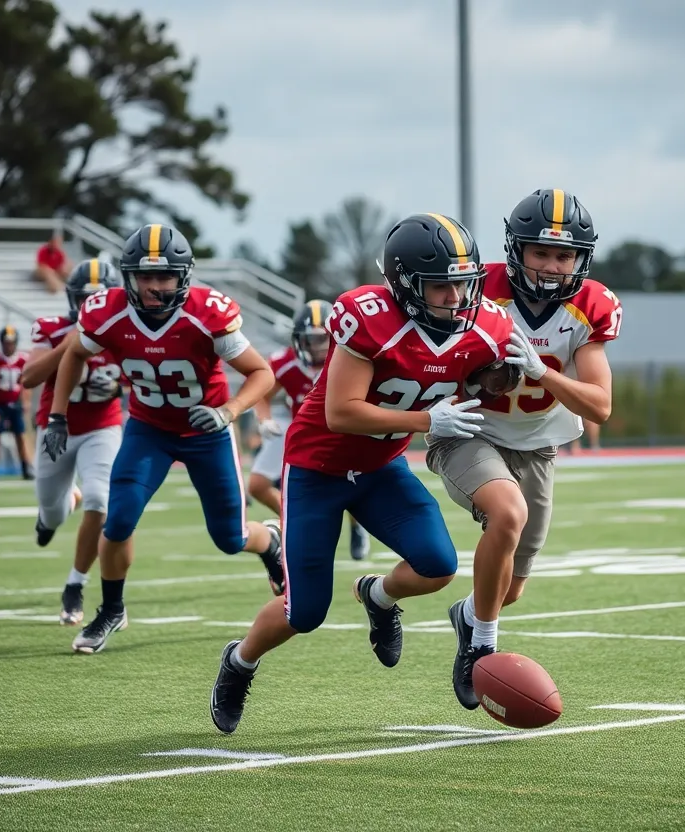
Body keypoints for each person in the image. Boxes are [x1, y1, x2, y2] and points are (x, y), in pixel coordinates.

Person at [208, 212, 514, 735]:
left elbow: (488, 384)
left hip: (379, 467)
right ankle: (239, 662)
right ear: (406, 285)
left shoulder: (485, 325)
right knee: (305, 612)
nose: (456, 298)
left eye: (464, 285)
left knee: (438, 565)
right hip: (317, 467)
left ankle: (377, 595)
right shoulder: (367, 316)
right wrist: (426, 419)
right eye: (441, 286)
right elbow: (341, 412)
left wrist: (512, 371)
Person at [43, 223, 282, 654]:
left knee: (229, 539)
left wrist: (227, 412)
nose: (154, 286)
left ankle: (270, 542)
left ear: (183, 276)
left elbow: (262, 373)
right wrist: (57, 415)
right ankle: (112, 609)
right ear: (128, 276)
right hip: (149, 429)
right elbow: (74, 353)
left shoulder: (207, 313)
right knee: (117, 522)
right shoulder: (107, 311)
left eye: (165, 276)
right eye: (145, 276)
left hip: (206, 433)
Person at [426, 188, 622, 710]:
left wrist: (541, 373)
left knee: (508, 589)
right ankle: (481, 647)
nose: (554, 266)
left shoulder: (590, 307)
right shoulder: (475, 290)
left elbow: (600, 406)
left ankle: (469, 616)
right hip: (469, 431)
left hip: (538, 447)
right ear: (516, 250)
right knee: (506, 515)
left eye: (565, 255)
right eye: (541, 252)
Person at [22, 258, 125, 626]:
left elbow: (143, 380)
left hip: (103, 426)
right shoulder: (52, 328)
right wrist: (66, 346)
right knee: (51, 510)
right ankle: (61, 506)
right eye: (84, 299)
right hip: (56, 427)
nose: (90, 307)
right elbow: (29, 378)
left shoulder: (126, 330)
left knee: (101, 499)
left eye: (99, 299)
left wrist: (120, 388)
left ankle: (75, 583)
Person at [249, 298, 370, 560]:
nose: (316, 347)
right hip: (300, 431)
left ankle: (356, 523)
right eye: (310, 339)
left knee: (346, 484)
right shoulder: (286, 362)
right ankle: (294, 521)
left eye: (323, 339)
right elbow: (261, 393)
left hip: (341, 433)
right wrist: (264, 419)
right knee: (257, 485)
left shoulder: (352, 358)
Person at [0, 326, 32, 480]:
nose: (9, 346)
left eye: (11, 343)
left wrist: (25, 401)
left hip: (15, 403)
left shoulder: (23, 359)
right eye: (6, 343)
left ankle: (26, 467)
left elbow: (25, 382)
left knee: (21, 435)